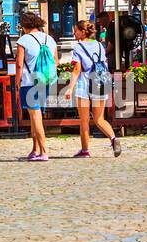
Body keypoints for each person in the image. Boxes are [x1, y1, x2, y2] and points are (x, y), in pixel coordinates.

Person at [67, 20, 122, 158]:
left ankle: (85, 151)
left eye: (76, 30)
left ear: (83, 31)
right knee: (99, 119)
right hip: (100, 82)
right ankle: (114, 139)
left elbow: (77, 69)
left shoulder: (78, 48)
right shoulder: (99, 45)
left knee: (84, 120)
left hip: (84, 84)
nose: (74, 33)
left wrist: (69, 88)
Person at [15, 11, 58, 162]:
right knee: (35, 116)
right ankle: (35, 149)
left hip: (29, 82)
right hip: (44, 81)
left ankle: (44, 151)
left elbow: (19, 64)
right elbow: (55, 62)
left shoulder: (23, 40)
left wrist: (17, 83)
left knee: (35, 116)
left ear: (24, 25)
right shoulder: (50, 39)